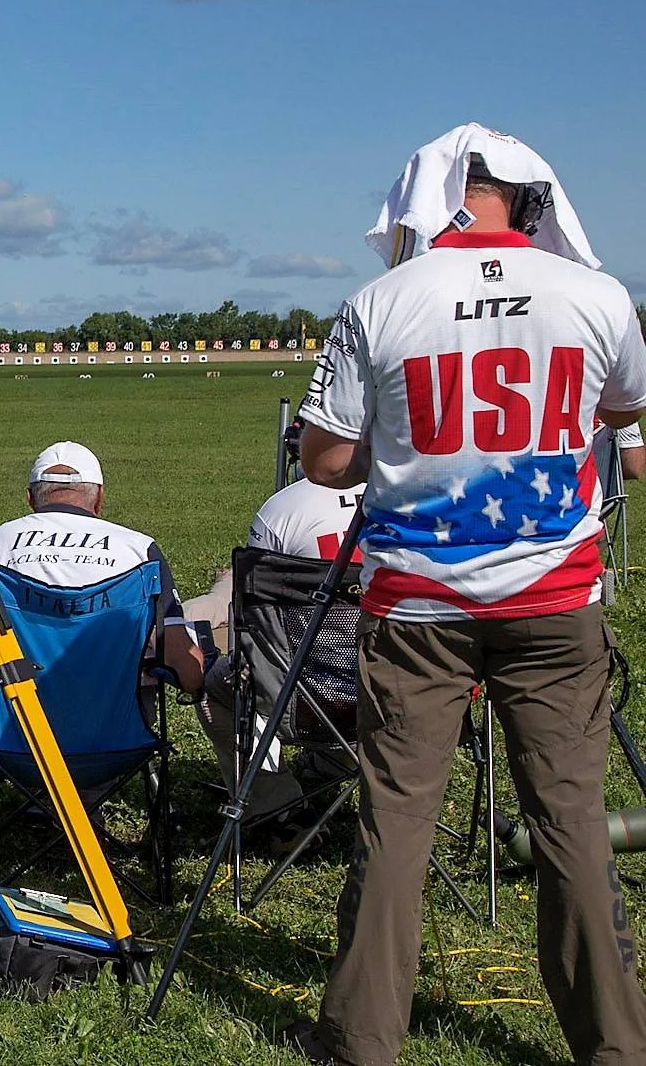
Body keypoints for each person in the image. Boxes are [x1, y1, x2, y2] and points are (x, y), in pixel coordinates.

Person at [291, 125, 646, 1066]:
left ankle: (363, 1038)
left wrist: (401, 452)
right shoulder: (598, 294)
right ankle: (614, 1042)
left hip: (419, 605)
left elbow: (325, 457)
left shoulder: (378, 300)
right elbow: (619, 410)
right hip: (554, 599)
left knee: (397, 817)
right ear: (529, 199)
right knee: (571, 818)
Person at [0, 442, 201, 785]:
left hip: (11, 744)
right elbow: (186, 671)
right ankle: (88, 799)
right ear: (99, 498)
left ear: (31, 498)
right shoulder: (139, 551)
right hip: (116, 745)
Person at [190, 476, 366, 833]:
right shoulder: (423, 500)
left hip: (305, 699)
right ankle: (338, 765)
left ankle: (279, 805)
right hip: (407, 697)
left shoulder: (284, 509)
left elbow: (251, 617)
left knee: (214, 688)